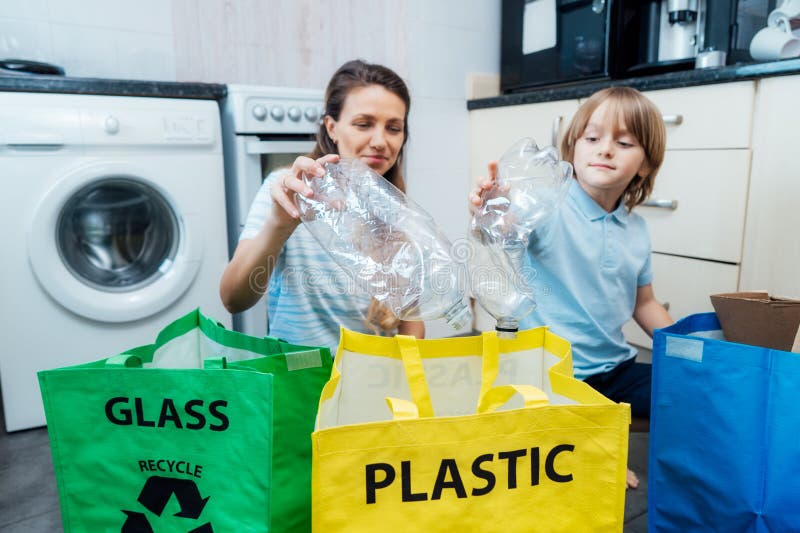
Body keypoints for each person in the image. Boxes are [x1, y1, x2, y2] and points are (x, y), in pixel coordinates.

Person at [470, 86, 673, 489]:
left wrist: (692, 353)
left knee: (694, 390)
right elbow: (504, 229)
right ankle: (587, 443)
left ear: (645, 165)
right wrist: (492, 211)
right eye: (592, 138)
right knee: (559, 437)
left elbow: (645, 303)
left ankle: (592, 432)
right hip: (549, 372)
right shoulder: (549, 207)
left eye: (624, 143)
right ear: (573, 149)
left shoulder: (636, 229)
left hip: (613, 369)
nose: (605, 150)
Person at [220, 60, 425, 350]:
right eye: (363, 124)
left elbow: (411, 322)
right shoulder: (287, 190)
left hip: (373, 375)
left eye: (393, 128)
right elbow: (233, 299)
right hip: (300, 375)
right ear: (332, 127)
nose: (380, 141)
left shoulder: (396, 210)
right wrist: (279, 224)